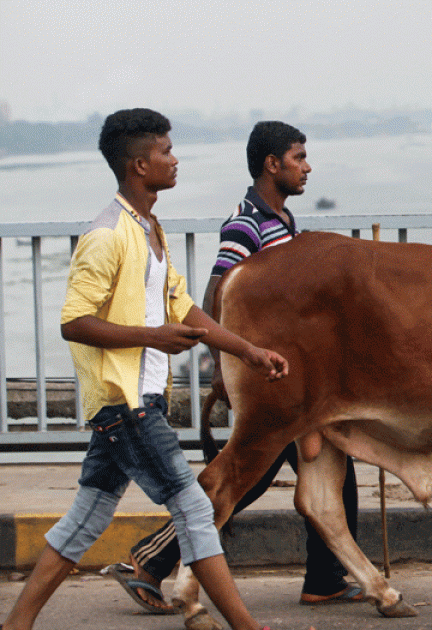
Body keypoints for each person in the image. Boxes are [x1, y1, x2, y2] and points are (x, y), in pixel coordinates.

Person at [0, 108, 308, 630]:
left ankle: (16, 624)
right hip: (127, 406)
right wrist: (154, 338)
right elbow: (74, 321)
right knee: (194, 510)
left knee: (85, 519)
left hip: (135, 402)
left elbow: (183, 308)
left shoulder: (149, 230)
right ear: (140, 165)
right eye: (166, 151)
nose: (175, 159)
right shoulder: (107, 234)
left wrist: (247, 351)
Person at [109, 121, 362, 614]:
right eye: (298, 157)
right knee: (251, 475)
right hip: (265, 377)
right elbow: (219, 291)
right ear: (272, 164)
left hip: (287, 375)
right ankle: (152, 559)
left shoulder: (282, 220)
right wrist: (226, 365)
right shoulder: (246, 222)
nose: (307, 167)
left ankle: (324, 578)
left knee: (289, 473)